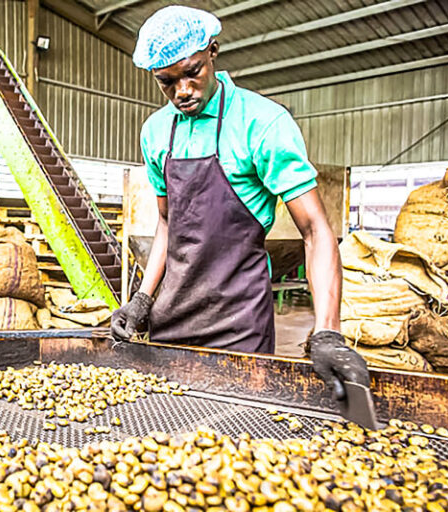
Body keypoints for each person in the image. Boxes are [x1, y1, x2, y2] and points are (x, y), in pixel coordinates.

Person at [111, 6, 369, 400]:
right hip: (172, 319)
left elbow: (315, 231)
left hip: (239, 323)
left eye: (192, 72)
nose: (182, 91)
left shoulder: (262, 123)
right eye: (167, 81)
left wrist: (328, 331)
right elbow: (167, 223)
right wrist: (143, 299)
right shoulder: (155, 132)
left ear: (213, 51)